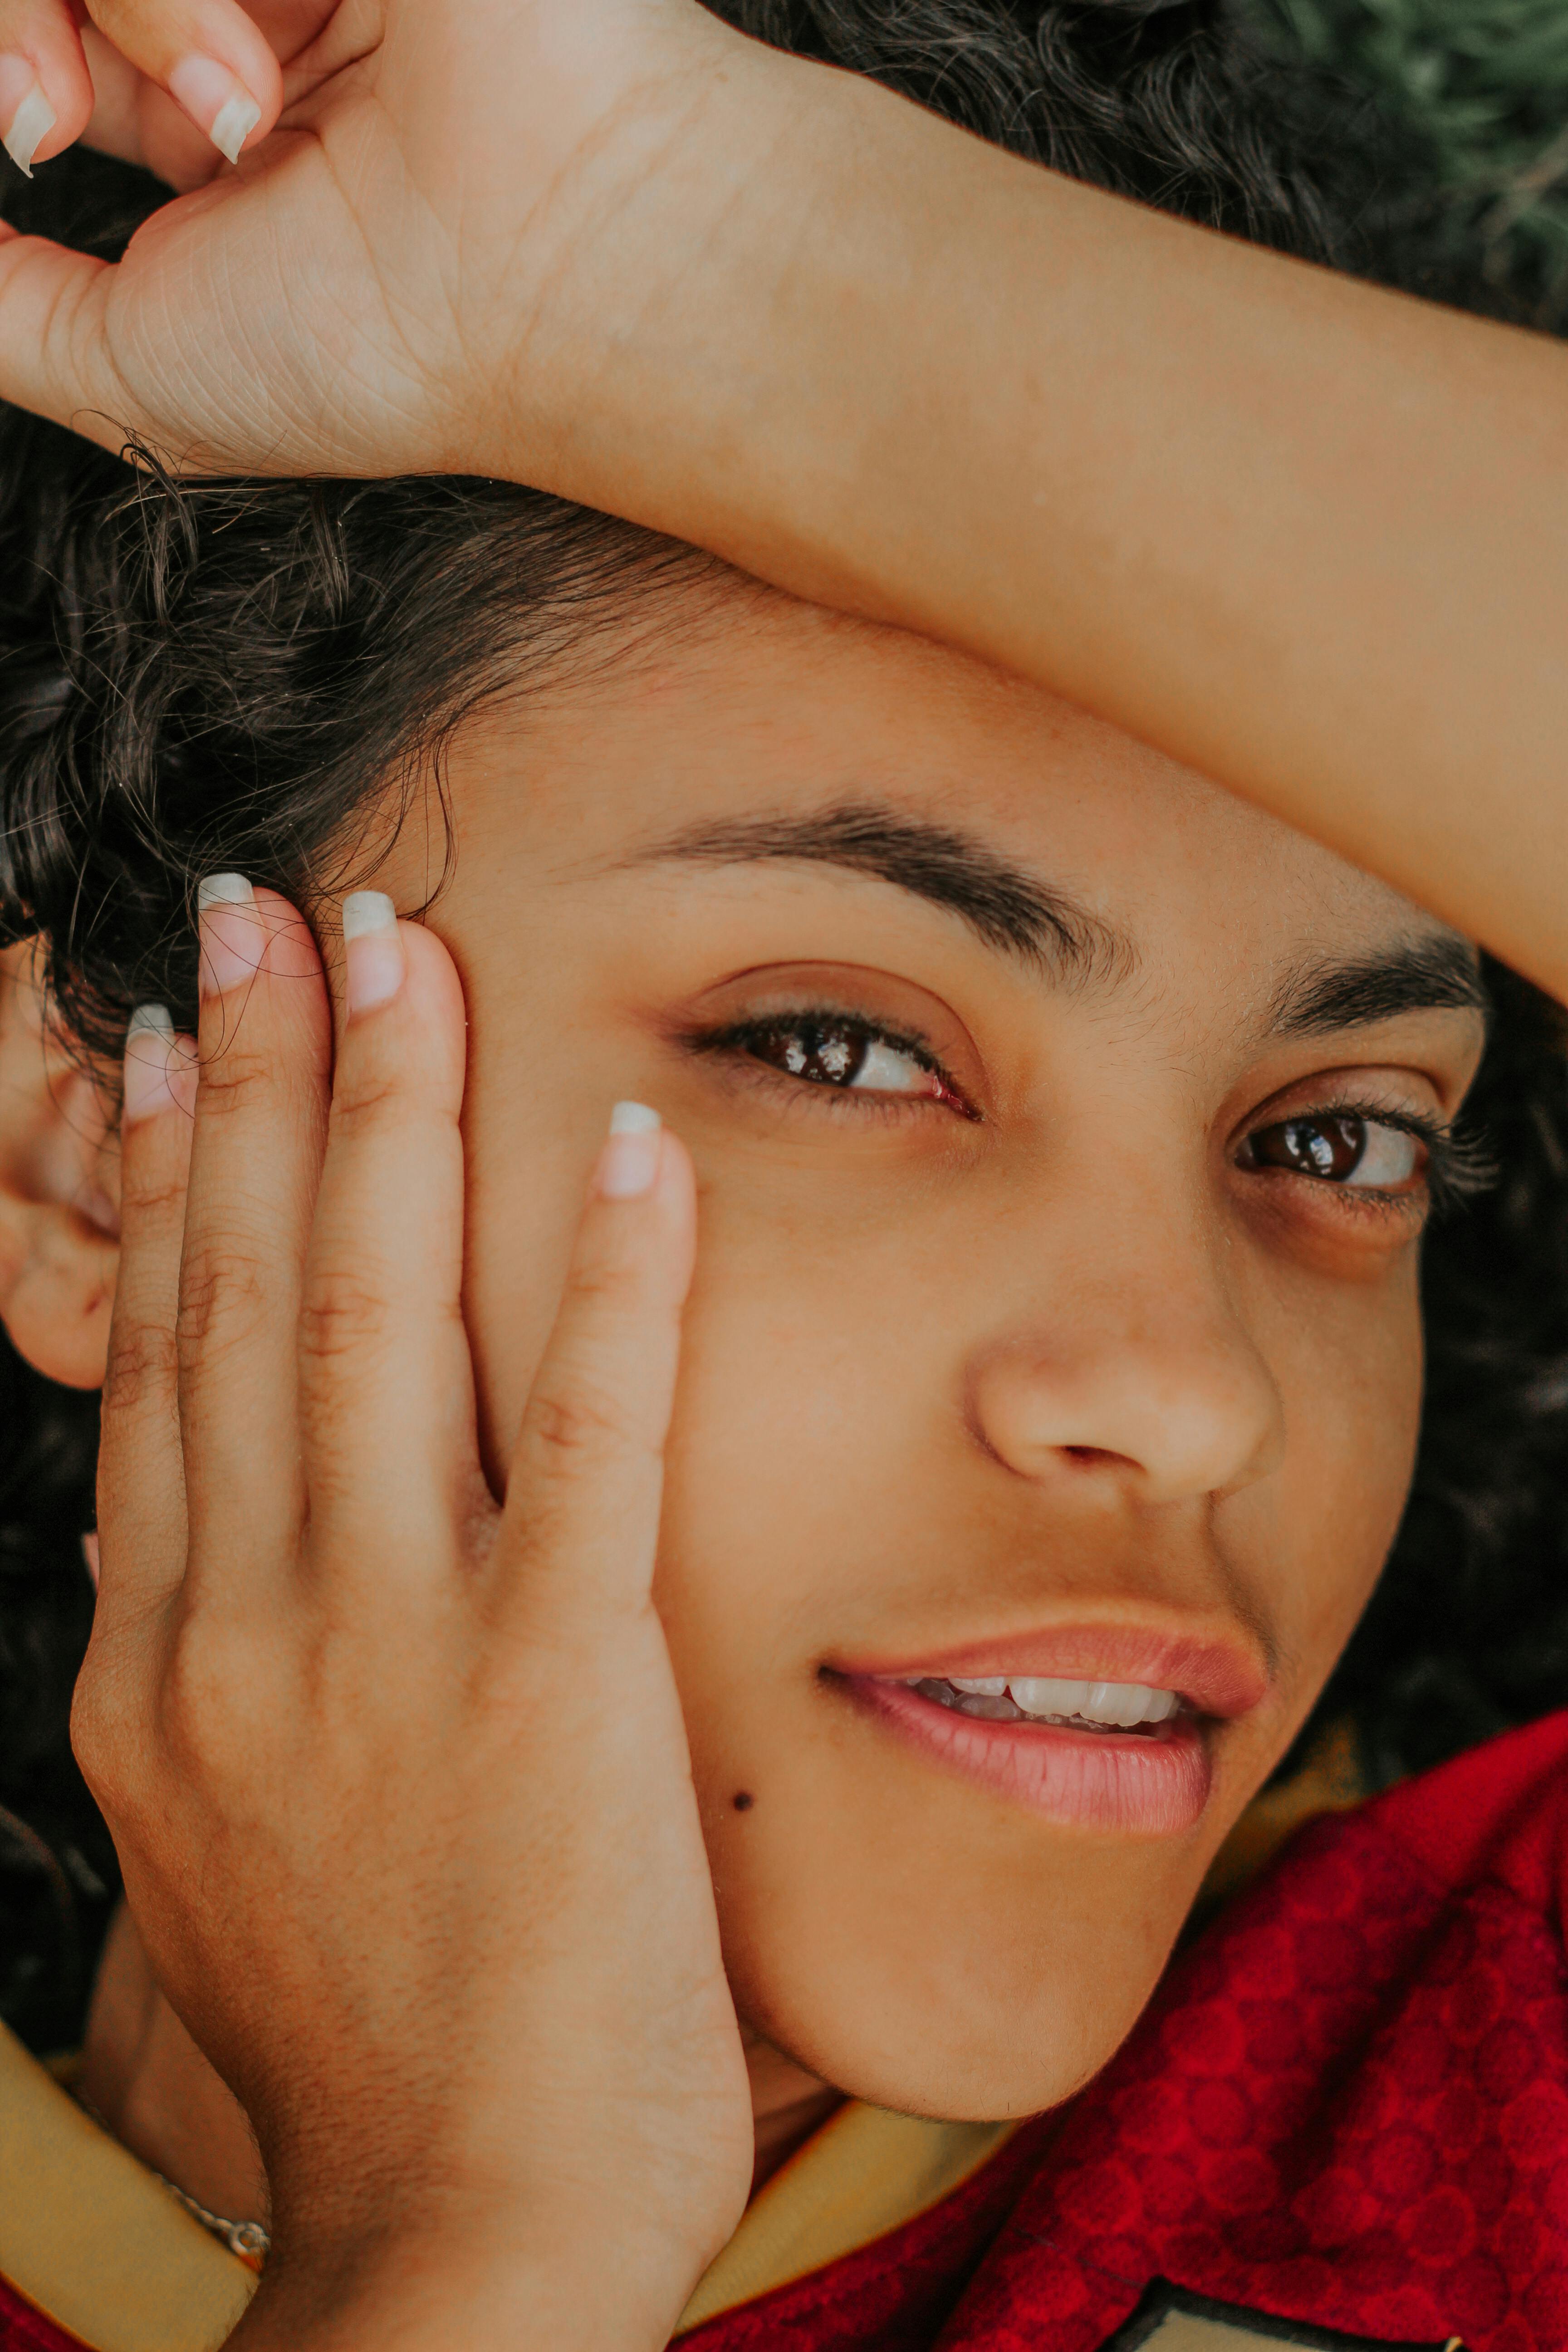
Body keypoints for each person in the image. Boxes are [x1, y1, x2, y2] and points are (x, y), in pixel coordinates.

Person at [0, 7, 1565, 2352]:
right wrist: (471, 2242)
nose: (1196, 1395)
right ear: (99, 1170)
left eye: (1338, 1141)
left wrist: (682, 263)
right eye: (840, 1048)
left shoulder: (1501, 2040)